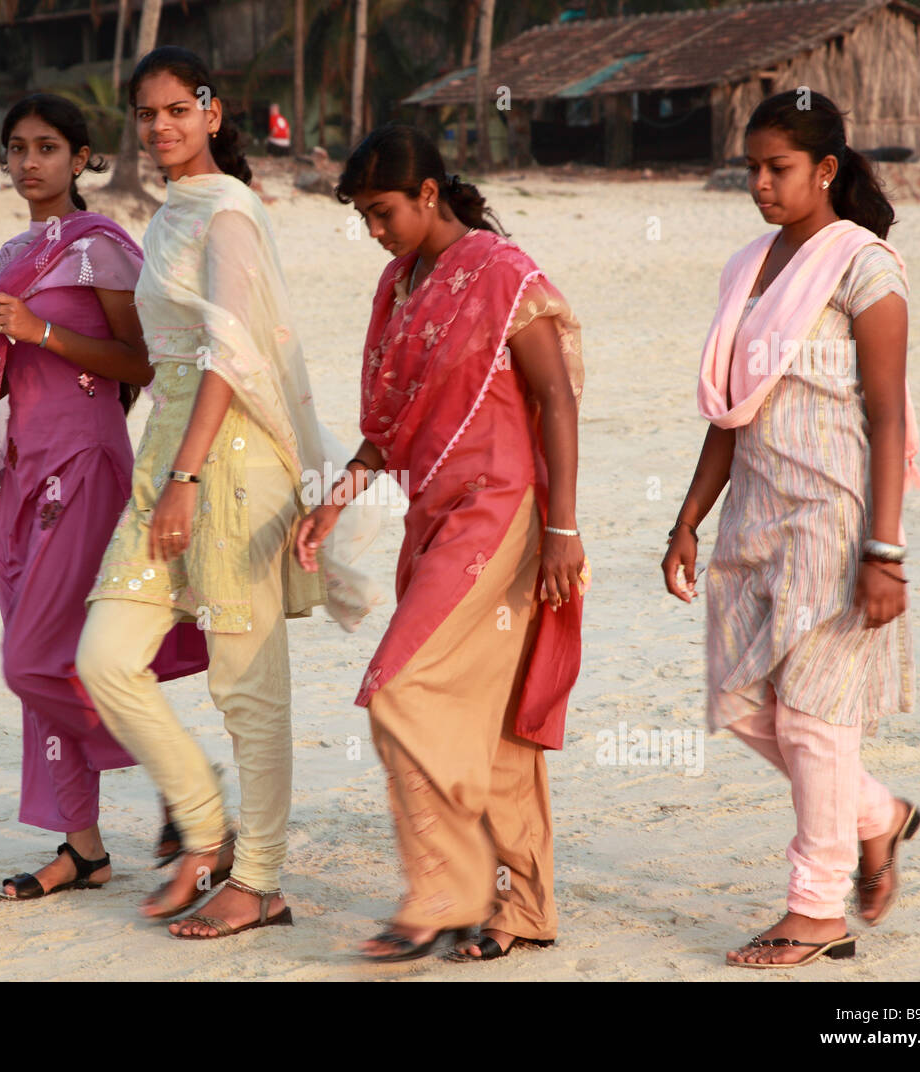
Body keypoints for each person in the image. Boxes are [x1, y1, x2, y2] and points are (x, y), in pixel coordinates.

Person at [75, 47, 381, 940]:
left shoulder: (232, 214)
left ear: (212, 113)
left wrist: (186, 478)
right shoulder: (174, 212)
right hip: (168, 449)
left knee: (248, 687)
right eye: (146, 114)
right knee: (105, 657)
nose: (161, 126)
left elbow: (231, 352)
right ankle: (204, 828)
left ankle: (261, 879)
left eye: (178, 109)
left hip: (228, 466)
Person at [297, 123, 587, 962]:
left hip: (500, 513)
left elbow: (557, 401)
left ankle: (448, 887)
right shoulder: (398, 286)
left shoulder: (501, 273)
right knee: (492, 721)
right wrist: (333, 501)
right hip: (434, 518)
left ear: (429, 194)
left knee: (400, 686)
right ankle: (525, 906)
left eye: (383, 212)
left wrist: (562, 528)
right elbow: (387, 428)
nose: (375, 231)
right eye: (363, 218)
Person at [661, 90, 920, 968]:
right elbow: (731, 411)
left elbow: (887, 417)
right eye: (751, 169)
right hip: (752, 513)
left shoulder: (865, 267)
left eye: (777, 169)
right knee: (740, 701)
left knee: (815, 718)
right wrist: (689, 517)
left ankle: (817, 910)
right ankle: (877, 815)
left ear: (826, 170)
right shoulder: (748, 267)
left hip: (835, 516)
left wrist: (884, 552)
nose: (761, 185)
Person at [0, 93, 207, 902]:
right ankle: (82, 847)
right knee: (41, 655)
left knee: (31, 662)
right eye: (15, 148)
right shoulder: (18, 246)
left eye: (47, 148)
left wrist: (38, 331)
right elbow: (12, 360)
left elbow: (139, 363)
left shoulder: (103, 246)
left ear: (83, 158)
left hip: (83, 462)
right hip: (23, 466)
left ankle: (182, 786)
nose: (28, 163)